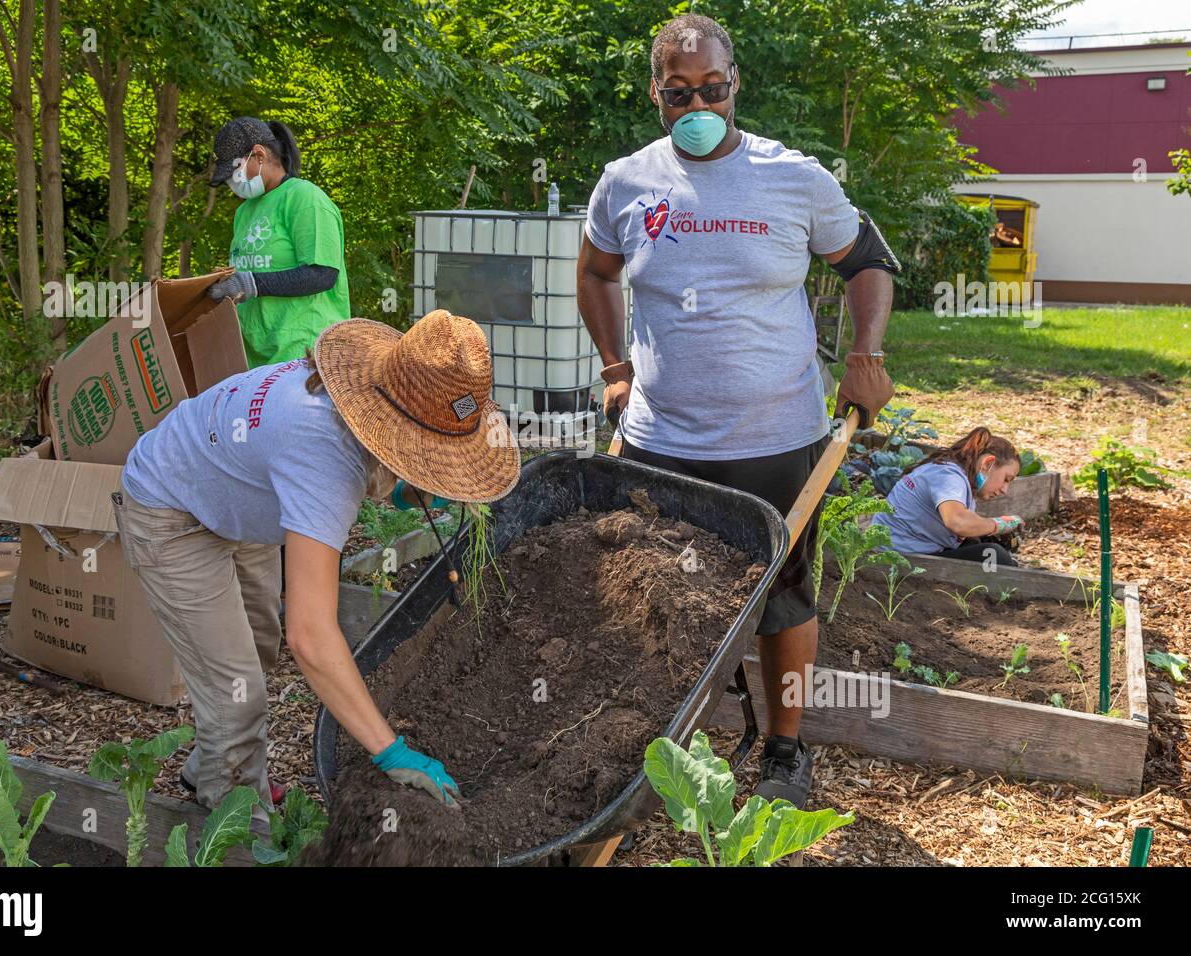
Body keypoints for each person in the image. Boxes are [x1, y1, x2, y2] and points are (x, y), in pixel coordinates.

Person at [577, 13, 900, 809]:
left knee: (782, 597)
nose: (698, 106)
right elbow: (594, 272)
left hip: (778, 440)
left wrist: (868, 355)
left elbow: (867, 261)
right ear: (656, 92)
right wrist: (616, 368)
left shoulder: (793, 178)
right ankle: (658, 745)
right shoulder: (627, 181)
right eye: (679, 93)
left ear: (734, 85)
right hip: (659, 440)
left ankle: (785, 749)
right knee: (655, 592)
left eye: (713, 90)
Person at [111, 310, 519, 823]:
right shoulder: (320, 452)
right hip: (170, 509)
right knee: (236, 691)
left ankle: (209, 763)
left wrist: (397, 487)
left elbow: (353, 453)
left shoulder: (355, 394)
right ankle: (235, 823)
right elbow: (310, 633)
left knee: (254, 650)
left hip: (237, 489)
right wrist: (391, 752)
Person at [207, 117, 352, 367]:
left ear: (259, 154)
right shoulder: (244, 212)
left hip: (303, 354)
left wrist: (250, 283)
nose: (233, 182)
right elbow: (246, 274)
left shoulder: (305, 198)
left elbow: (323, 274)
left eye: (235, 172)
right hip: (255, 359)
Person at [871, 427, 1023, 567]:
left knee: (980, 541)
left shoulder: (950, 472)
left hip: (906, 550)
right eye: (1006, 479)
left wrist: (987, 530)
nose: (1005, 490)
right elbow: (957, 522)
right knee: (995, 556)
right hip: (897, 559)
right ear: (987, 463)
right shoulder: (949, 477)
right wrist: (999, 524)